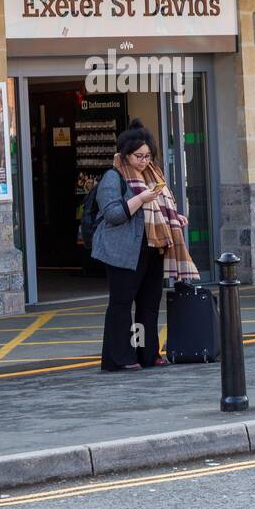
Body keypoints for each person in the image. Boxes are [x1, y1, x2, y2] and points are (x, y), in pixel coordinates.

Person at [90, 119, 196, 371]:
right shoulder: (112, 176)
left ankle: (148, 355)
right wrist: (140, 198)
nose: (144, 161)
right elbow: (113, 214)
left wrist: (175, 219)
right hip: (123, 252)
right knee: (121, 305)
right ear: (125, 154)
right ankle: (119, 358)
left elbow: (160, 210)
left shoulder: (153, 174)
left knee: (149, 305)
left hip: (153, 248)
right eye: (139, 156)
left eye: (148, 155)